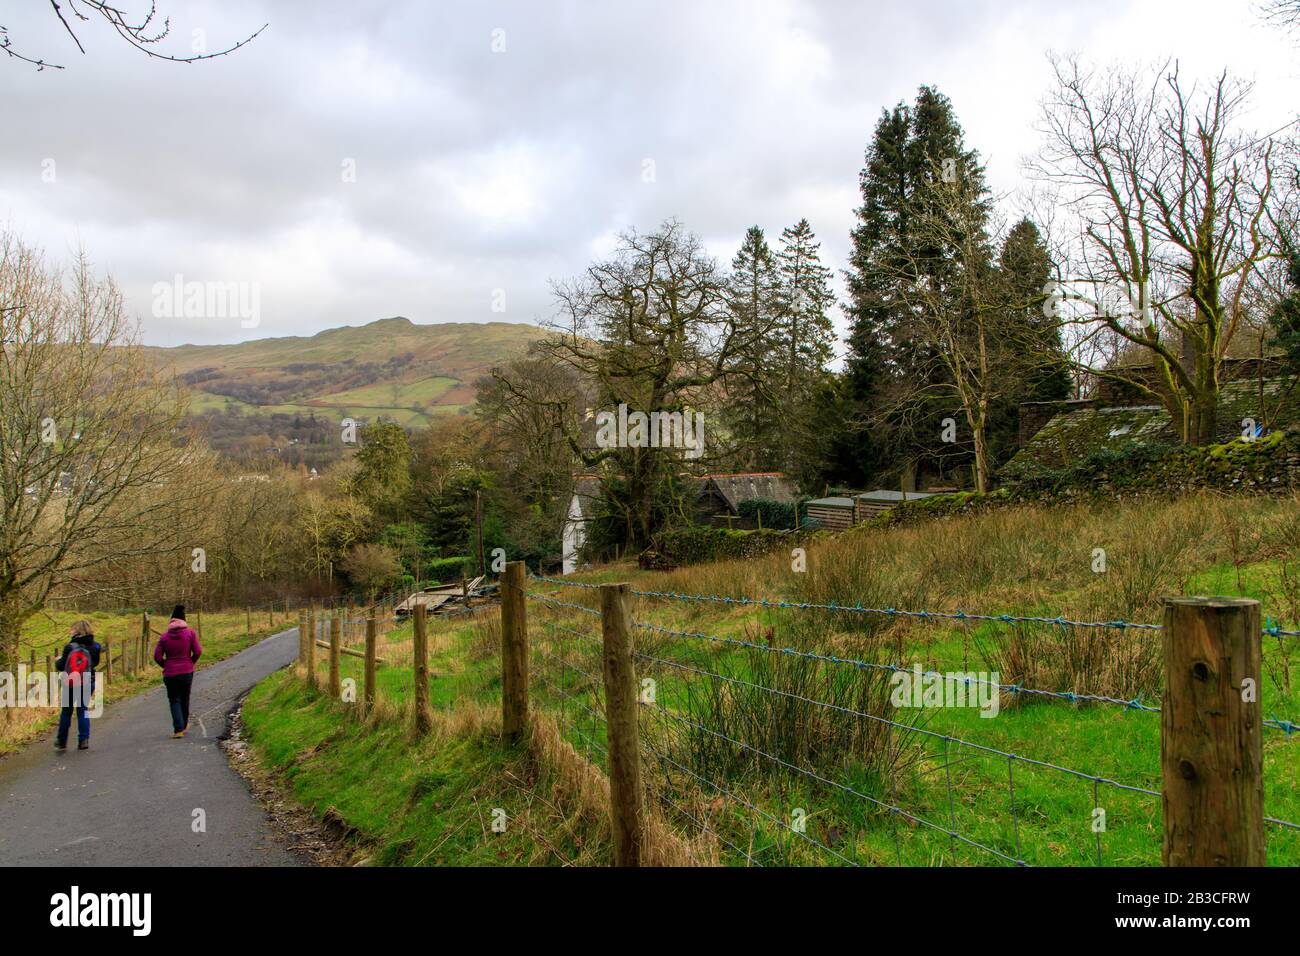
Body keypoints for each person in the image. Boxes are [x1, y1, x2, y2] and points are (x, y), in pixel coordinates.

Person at [153, 605, 202, 738]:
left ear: (171, 621)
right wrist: (191, 662)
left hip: (170, 673)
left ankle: (178, 729)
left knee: (174, 700)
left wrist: (166, 665)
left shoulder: (164, 637)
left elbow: (157, 656)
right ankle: (184, 724)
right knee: (185, 698)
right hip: (186, 671)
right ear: (184, 620)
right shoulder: (190, 633)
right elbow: (198, 651)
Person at [55, 620, 101, 751]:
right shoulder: (96, 646)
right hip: (88, 680)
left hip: (70, 682)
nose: (71, 631)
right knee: (83, 710)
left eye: (72, 629)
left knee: (66, 711)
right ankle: (83, 741)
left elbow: (61, 666)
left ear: (76, 631)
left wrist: (58, 660)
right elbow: (95, 663)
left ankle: (62, 741)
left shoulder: (70, 646)